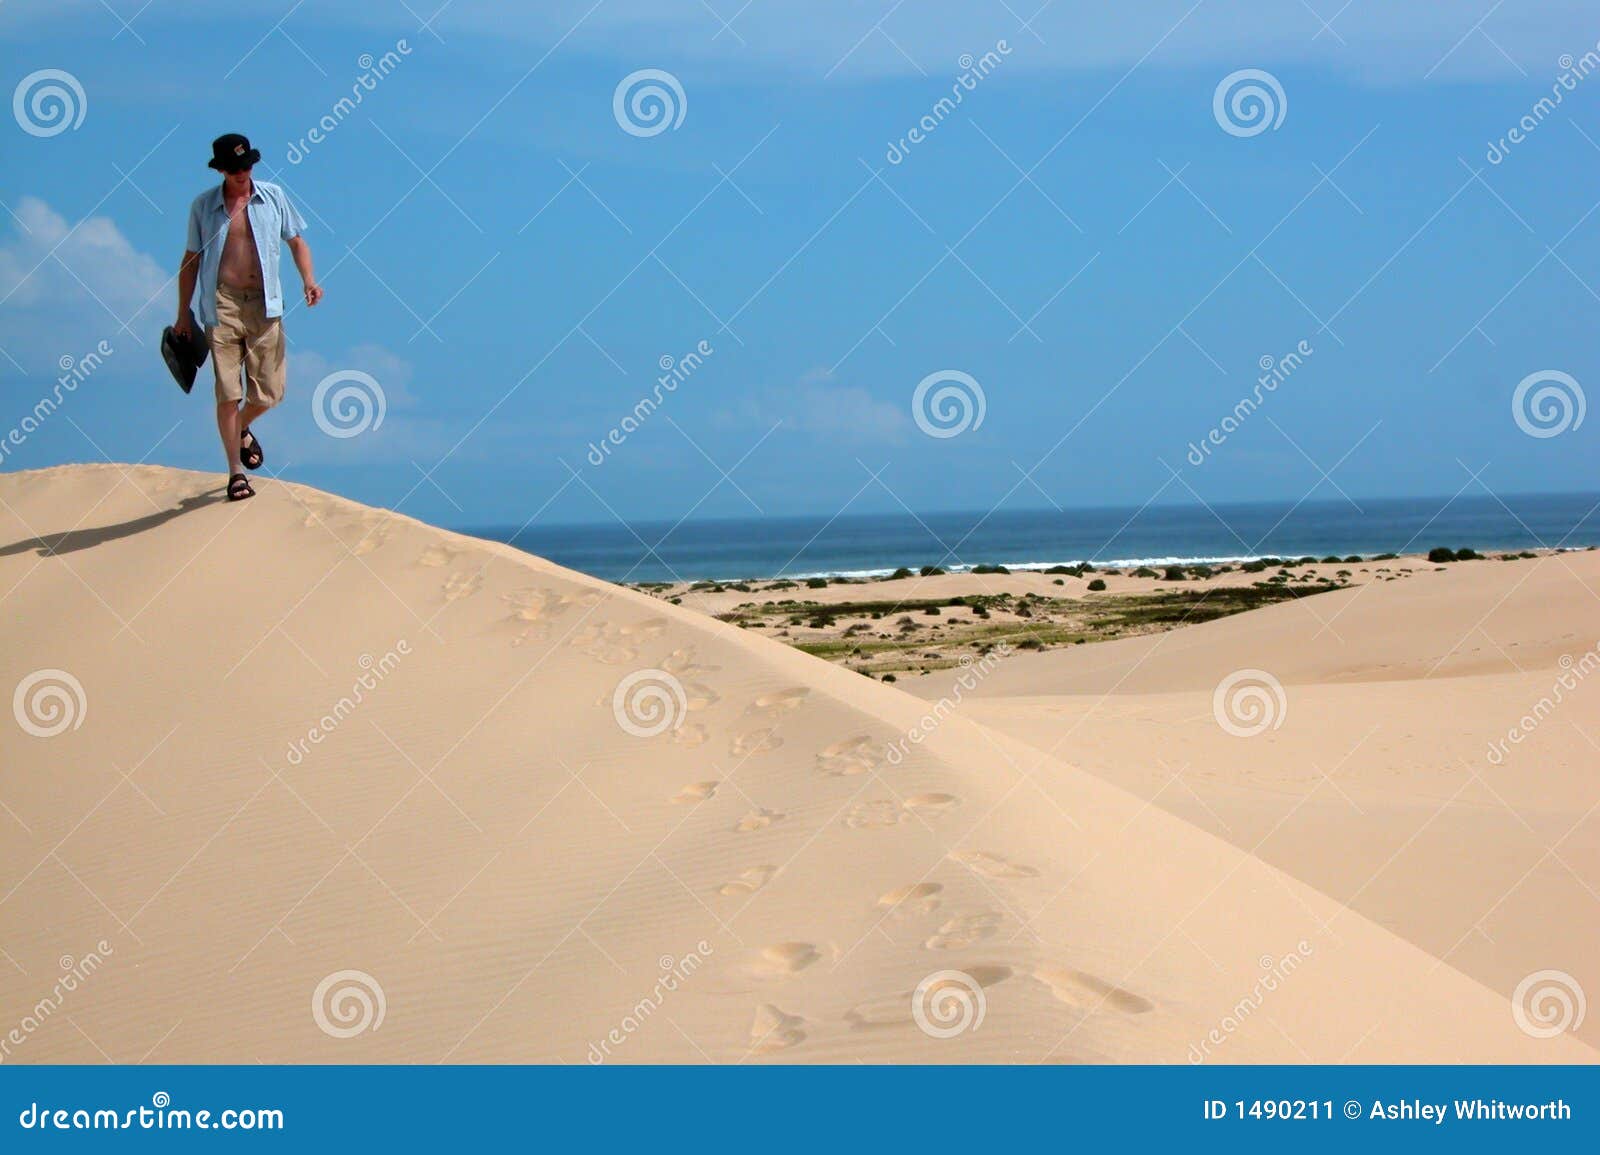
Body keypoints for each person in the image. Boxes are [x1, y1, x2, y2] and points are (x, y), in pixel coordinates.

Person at [175, 133, 322, 501]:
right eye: (234, 168)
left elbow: (297, 241)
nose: (242, 173)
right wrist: (183, 315)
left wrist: (308, 280)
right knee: (228, 392)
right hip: (221, 304)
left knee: (269, 393)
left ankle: (240, 427)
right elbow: (191, 261)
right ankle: (235, 474)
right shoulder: (203, 206)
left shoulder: (273, 196)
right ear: (221, 170)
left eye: (246, 166)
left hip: (265, 304)